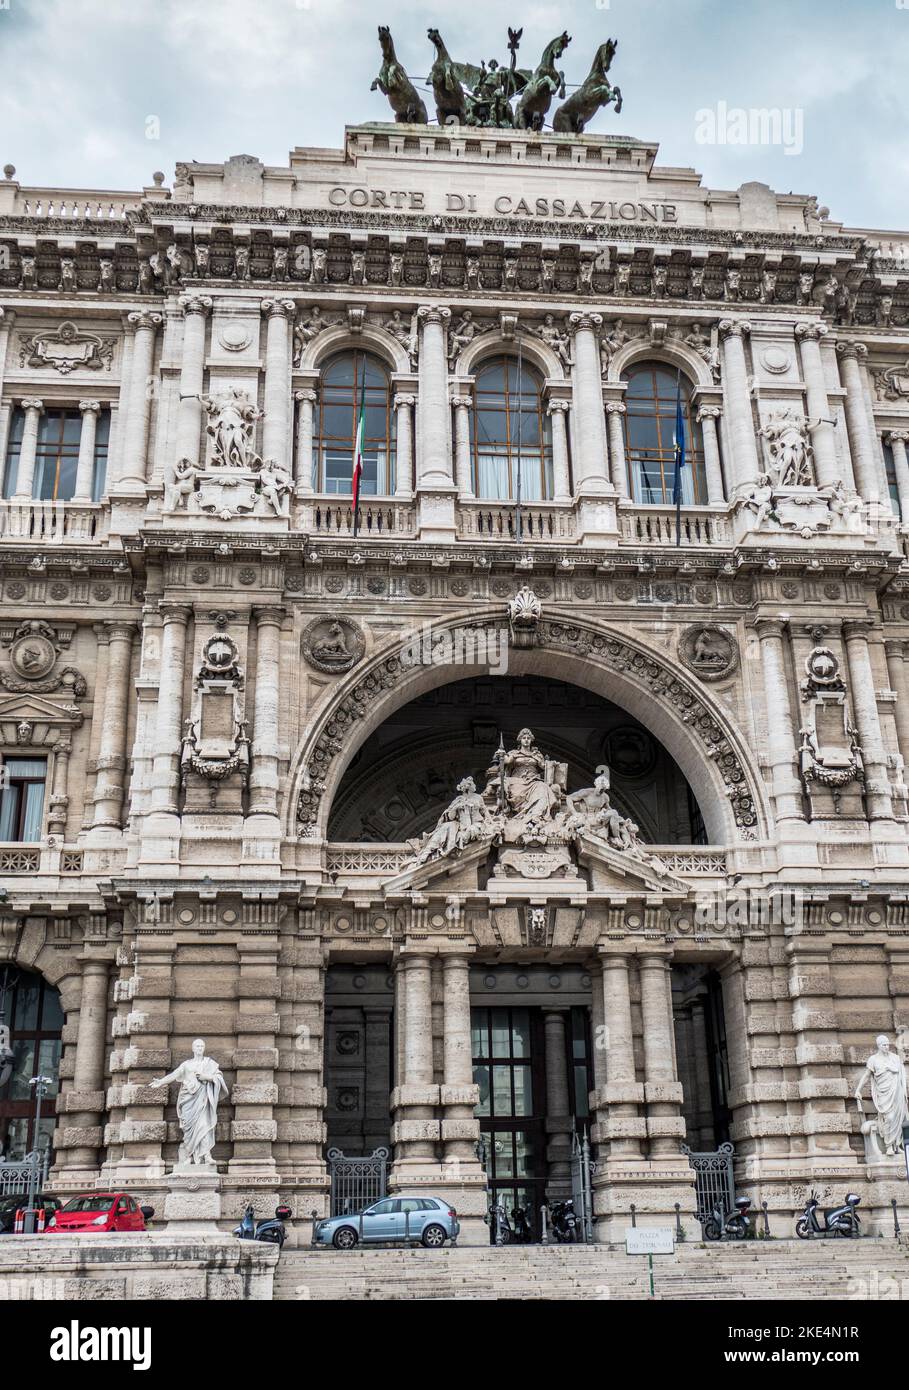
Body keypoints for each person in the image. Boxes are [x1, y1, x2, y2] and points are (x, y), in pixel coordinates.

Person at [151, 1039, 229, 1167]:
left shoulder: (209, 1063)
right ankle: (188, 1156)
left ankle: (206, 1155)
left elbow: (219, 1078)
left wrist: (206, 1077)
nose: (200, 1048)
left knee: (204, 1126)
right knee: (188, 1130)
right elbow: (174, 1075)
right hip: (188, 1101)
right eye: (197, 1046)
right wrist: (161, 1082)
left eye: (202, 1046)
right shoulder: (186, 1065)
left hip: (203, 1100)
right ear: (193, 1048)